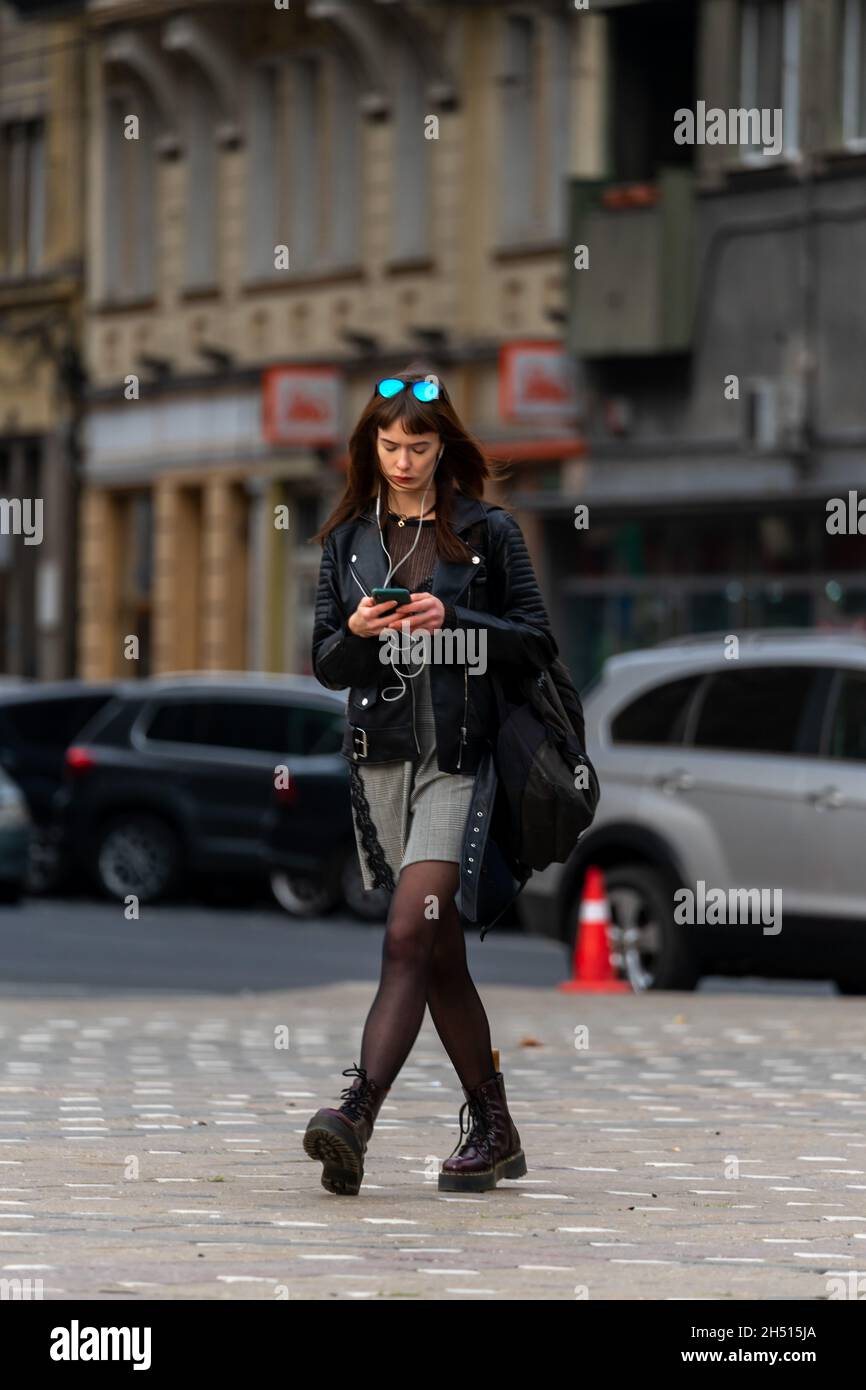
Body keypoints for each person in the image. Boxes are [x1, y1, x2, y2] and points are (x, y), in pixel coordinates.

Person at [303, 368, 558, 1196]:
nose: (403, 459)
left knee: (410, 933)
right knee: (440, 955)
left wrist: (458, 619)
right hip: (380, 766)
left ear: (443, 445)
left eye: (417, 444)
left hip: (460, 763)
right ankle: (495, 1129)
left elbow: (536, 643)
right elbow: (325, 667)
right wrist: (355, 627)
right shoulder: (347, 542)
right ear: (368, 448)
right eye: (388, 444)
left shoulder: (486, 530)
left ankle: (356, 1114)